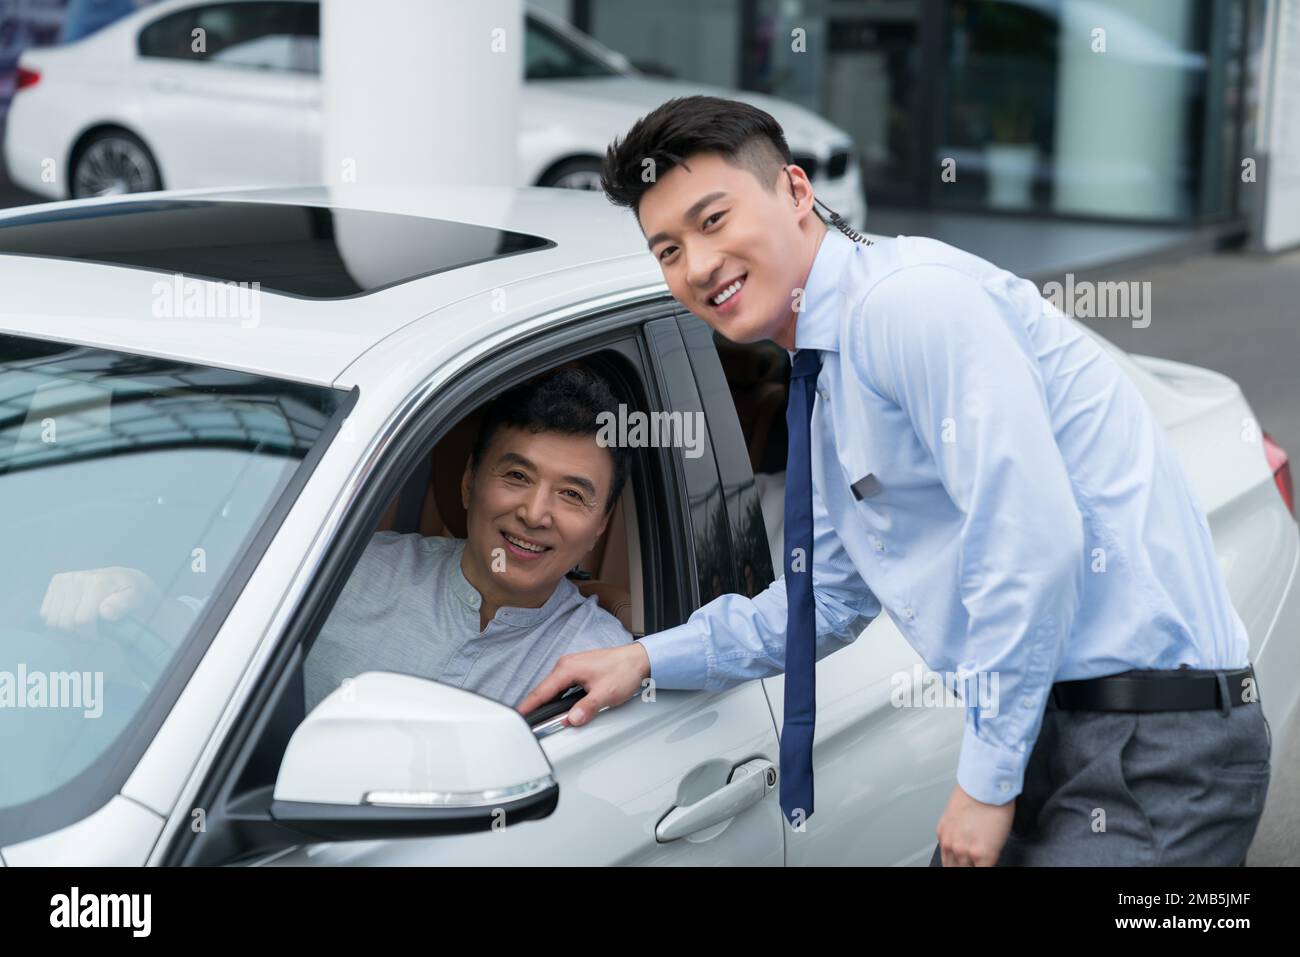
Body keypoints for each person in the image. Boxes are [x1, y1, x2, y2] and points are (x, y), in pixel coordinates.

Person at [516, 95, 1271, 866]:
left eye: (713, 220)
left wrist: (985, 783)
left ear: (796, 191)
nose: (697, 265)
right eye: (667, 249)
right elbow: (829, 600)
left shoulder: (909, 305)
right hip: (1048, 726)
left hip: (1148, 748)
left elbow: (1033, 542)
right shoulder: (825, 380)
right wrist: (646, 659)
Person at [41, 367, 635, 714]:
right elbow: (228, 637)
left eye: (573, 495)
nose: (535, 513)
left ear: (601, 524)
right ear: (469, 480)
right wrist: (143, 603)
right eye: (516, 476)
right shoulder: (351, 571)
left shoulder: (602, 657)